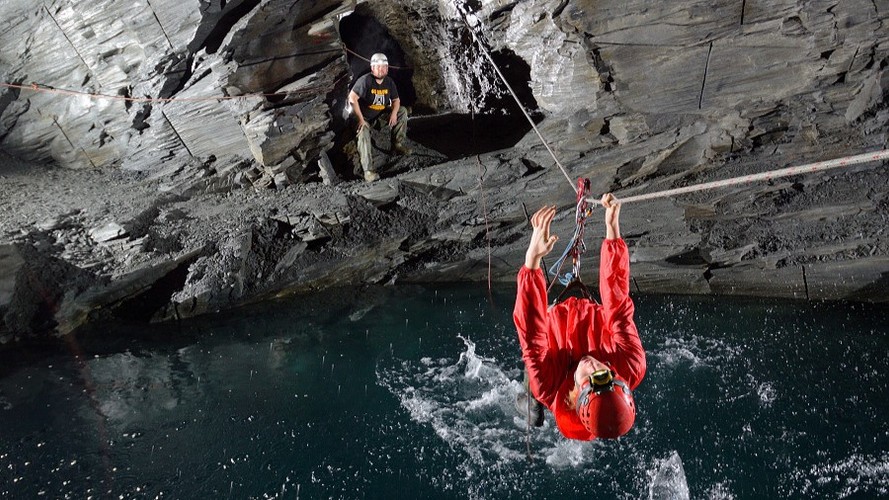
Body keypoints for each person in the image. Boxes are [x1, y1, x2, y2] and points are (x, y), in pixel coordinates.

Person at [513, 194, 646, 440]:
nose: (592, 364)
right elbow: (618, 306)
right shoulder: (630, 365)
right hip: (587, 319)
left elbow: (531, 331)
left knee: (535, 389)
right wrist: (612, 230)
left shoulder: (549, 384)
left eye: (588, 376)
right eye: (603, 371)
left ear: (574, 394)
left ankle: (533, 407)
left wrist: (532, 260)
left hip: (553, 344)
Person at [347, 52, 410, 182]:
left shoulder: (389, 82)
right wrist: (360, 119)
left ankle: (397, 144)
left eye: (383, 67)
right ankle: (368, 171)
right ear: (372, 68)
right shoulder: (365, 80)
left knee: (402, 111)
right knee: (363, 130)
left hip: (378, 116)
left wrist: (394, 113)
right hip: (363, 117)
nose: (381, 69)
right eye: (378, 66)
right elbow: (352, 98)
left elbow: (396, 100)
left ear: (387, 68)